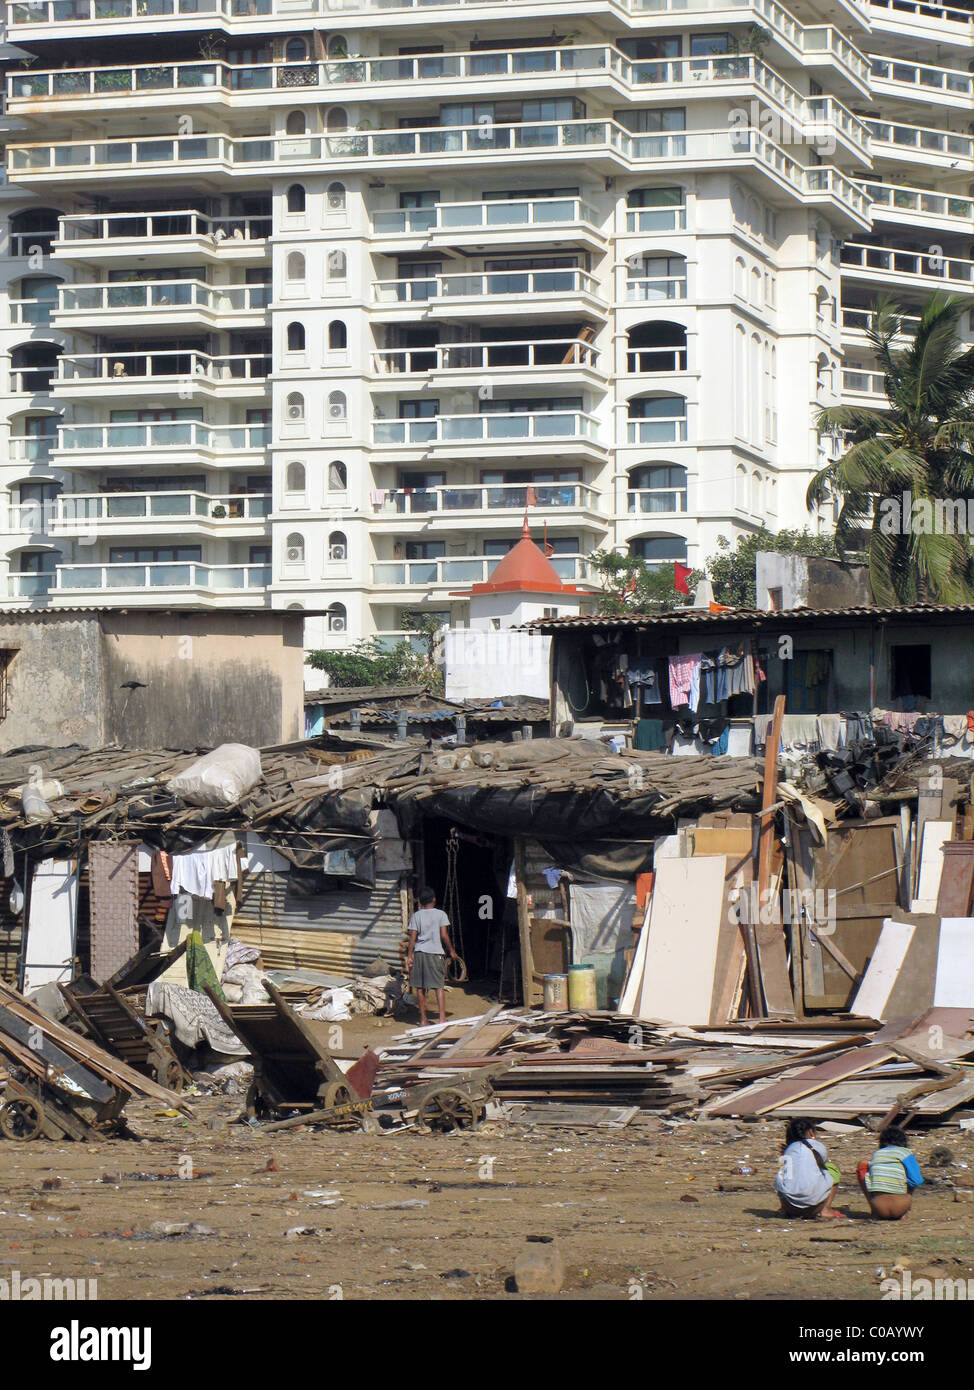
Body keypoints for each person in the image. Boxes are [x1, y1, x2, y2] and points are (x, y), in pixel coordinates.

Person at [405, 886, 458, 1026]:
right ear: (434, 899)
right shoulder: (441, 914)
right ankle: (442, 1018)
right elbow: (444, 935)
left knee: (420, 988)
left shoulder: (416, 915)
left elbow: (412, 938)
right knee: (439, 986)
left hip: (419, 953)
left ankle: (423, 1020)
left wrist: (410, 956)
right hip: (435, 953)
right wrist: (452, 951)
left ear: (421, 901)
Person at [775, 1117, 844, 1220]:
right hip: (813, 1207)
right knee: (832, 1168)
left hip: (789, 1206)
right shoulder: (817, 1146)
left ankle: (784, 1209)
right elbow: (822, 1165)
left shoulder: (789, 1149)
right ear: (811, 1132)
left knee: (785, 1174)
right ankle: (825, 1209)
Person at [857, 1126, 923, 1220]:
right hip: (901, 1206)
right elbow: (916, 1180)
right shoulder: (905, 1153)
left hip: (879, 1206)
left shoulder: (877, 1154)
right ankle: (904, 1213)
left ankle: (874, 1212)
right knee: (909, 1175)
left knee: (863, 1166)